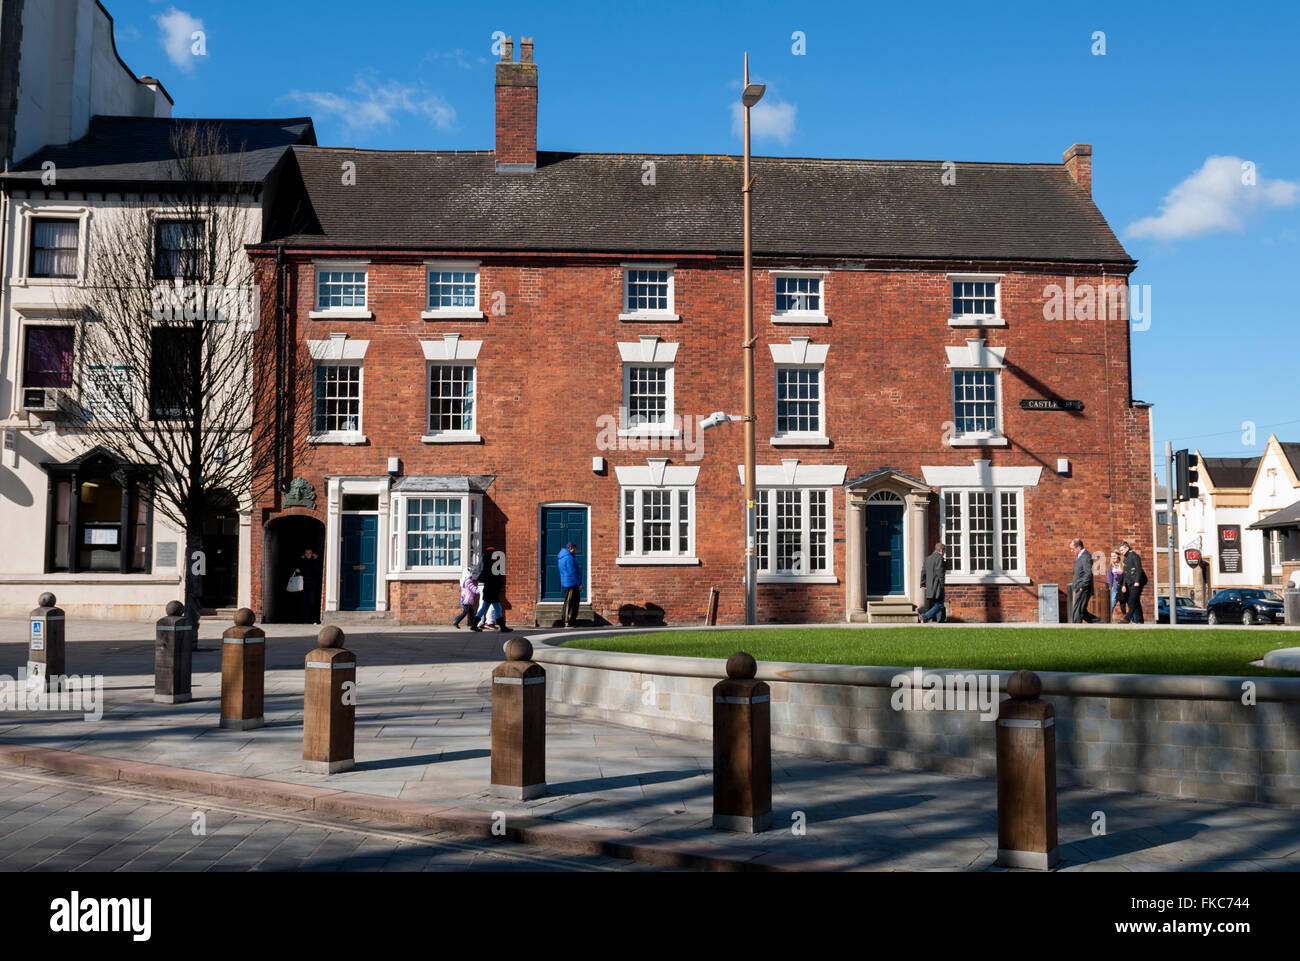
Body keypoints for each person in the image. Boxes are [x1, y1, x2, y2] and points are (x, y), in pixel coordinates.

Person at [476, 548, 510, 632]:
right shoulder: (492, 561)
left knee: (484, 605)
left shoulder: (482, 559)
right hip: (488, 586)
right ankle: (489, 622)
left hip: (482, 584)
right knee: (491, 606)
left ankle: (479, 623)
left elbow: (478, 571)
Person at [1069, 539, 1100, 623]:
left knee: (1077, 611)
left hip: (1083, 588)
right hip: (1079, 587)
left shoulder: (1085, 556)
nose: (1072, 551)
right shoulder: (1080, 557)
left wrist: (1082, 586)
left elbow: (1088, 574)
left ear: (1079, 547)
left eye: (1073, 549)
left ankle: (1076, 629)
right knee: (1081, 612)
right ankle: (1101, 623)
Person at [918, 542, 947, 623]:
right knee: (940, 604)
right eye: (944, 551)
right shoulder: (939, 558)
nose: (944, 553)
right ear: (941, 550)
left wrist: (922, 584)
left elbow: (923, 572)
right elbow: (940, 573)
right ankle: (925, 617)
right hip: (937, 585)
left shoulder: (927, 558)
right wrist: (942, 585)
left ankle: (941, 620)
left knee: (938, 603)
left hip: (929, 585)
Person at [1119, 541, 1148, 624]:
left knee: (1132, 601)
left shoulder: (1134, 556)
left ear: (1127, 548)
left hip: (1136, 582)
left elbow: (1139, 569)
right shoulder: (1126, 559)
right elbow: (1125, 573)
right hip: (1129, 583)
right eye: (1120, 551)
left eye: (1122, 550)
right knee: (1136, 601)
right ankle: (1140, 620)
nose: (1121, 552)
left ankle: (1127, 618)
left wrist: (1137, 581)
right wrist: (1124, 585)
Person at [558, 542, 582, 627]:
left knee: (575, 602)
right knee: (569, 603)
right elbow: (573, 572)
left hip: (571, 583)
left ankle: (572, 620)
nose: (576, 551)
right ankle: (566, 621)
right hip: (570, 584)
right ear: (571, 548)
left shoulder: (566, 557)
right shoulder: (568, 558)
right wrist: (579, 583)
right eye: (575, 549)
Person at [295, 548, 322, 624]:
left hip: (313, 585)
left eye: (310, 553)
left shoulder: (315, 561)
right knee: (303, 603)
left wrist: (316, 559)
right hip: (302, 585)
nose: (308, 554)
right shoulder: (302, 561)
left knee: (312, 602)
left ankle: (313, 619)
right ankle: (305, 619)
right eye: (306, 553)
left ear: (312, 554)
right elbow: (298, 569)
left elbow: (318, 570)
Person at [454, 565, 481, 631]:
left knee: (470, 612)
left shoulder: (463, 581)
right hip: (468, 600)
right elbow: (473, 588)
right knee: (466, 612)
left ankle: (472, 624)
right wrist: (479, 591)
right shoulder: (468, 581)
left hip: (465, 599)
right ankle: (457, 621)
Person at [1107, 550, 1125, 621]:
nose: (1113, 557)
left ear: (1118, 555)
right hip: (1115, 588)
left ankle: (1134, 620)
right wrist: (1110, 587)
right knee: (1112, 604)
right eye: (1112, 556)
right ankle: (1108, 620)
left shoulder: (1123, 564)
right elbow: (1110, 578)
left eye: (1114, 555)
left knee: (1126, 605)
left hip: (1123, 588)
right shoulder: (1111, 566)